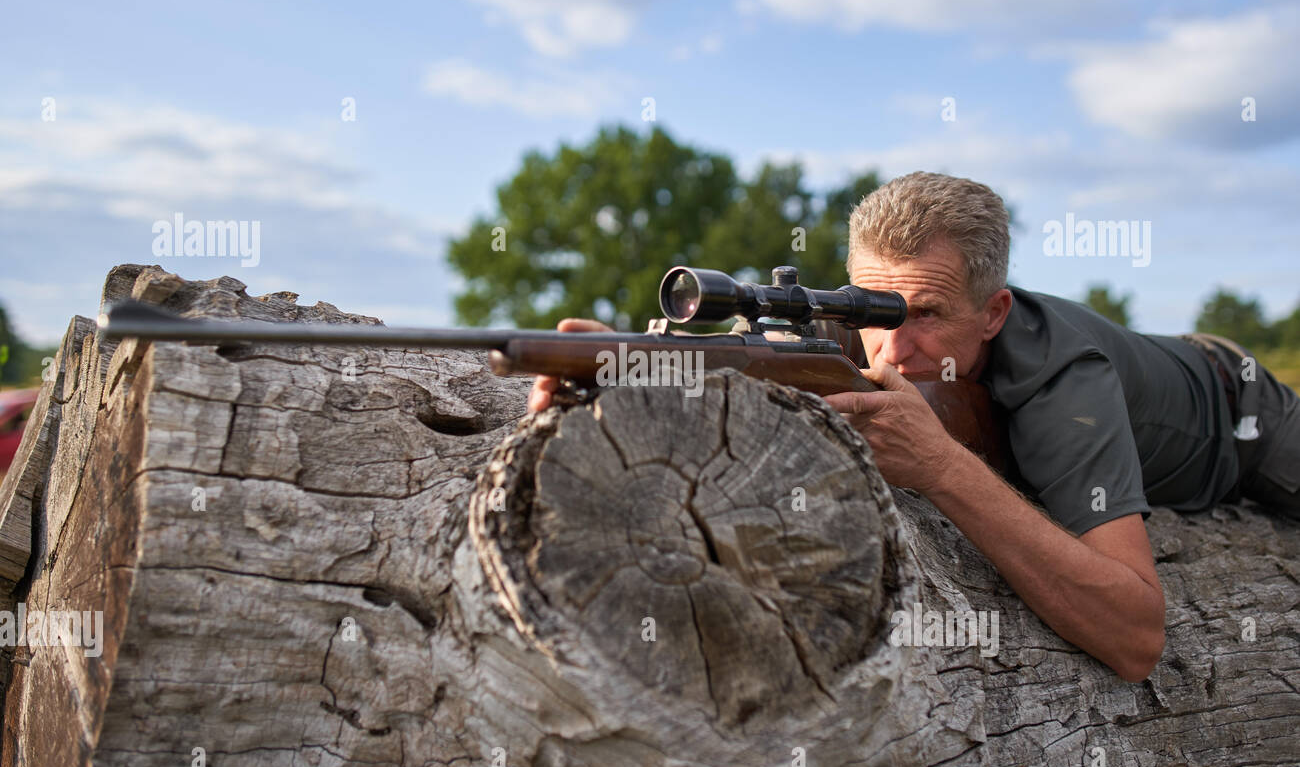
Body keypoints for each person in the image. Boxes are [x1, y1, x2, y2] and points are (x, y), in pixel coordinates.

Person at [527, 172, 1300, 683]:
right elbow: (744, 369)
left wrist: (942, 468)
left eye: (925, 315)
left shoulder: (1066, 383)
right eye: (873, 308)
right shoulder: (853, 323)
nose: (893, 348)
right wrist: (626, 361)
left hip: (1247, 417)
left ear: (994, 310)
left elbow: (1136, 636)